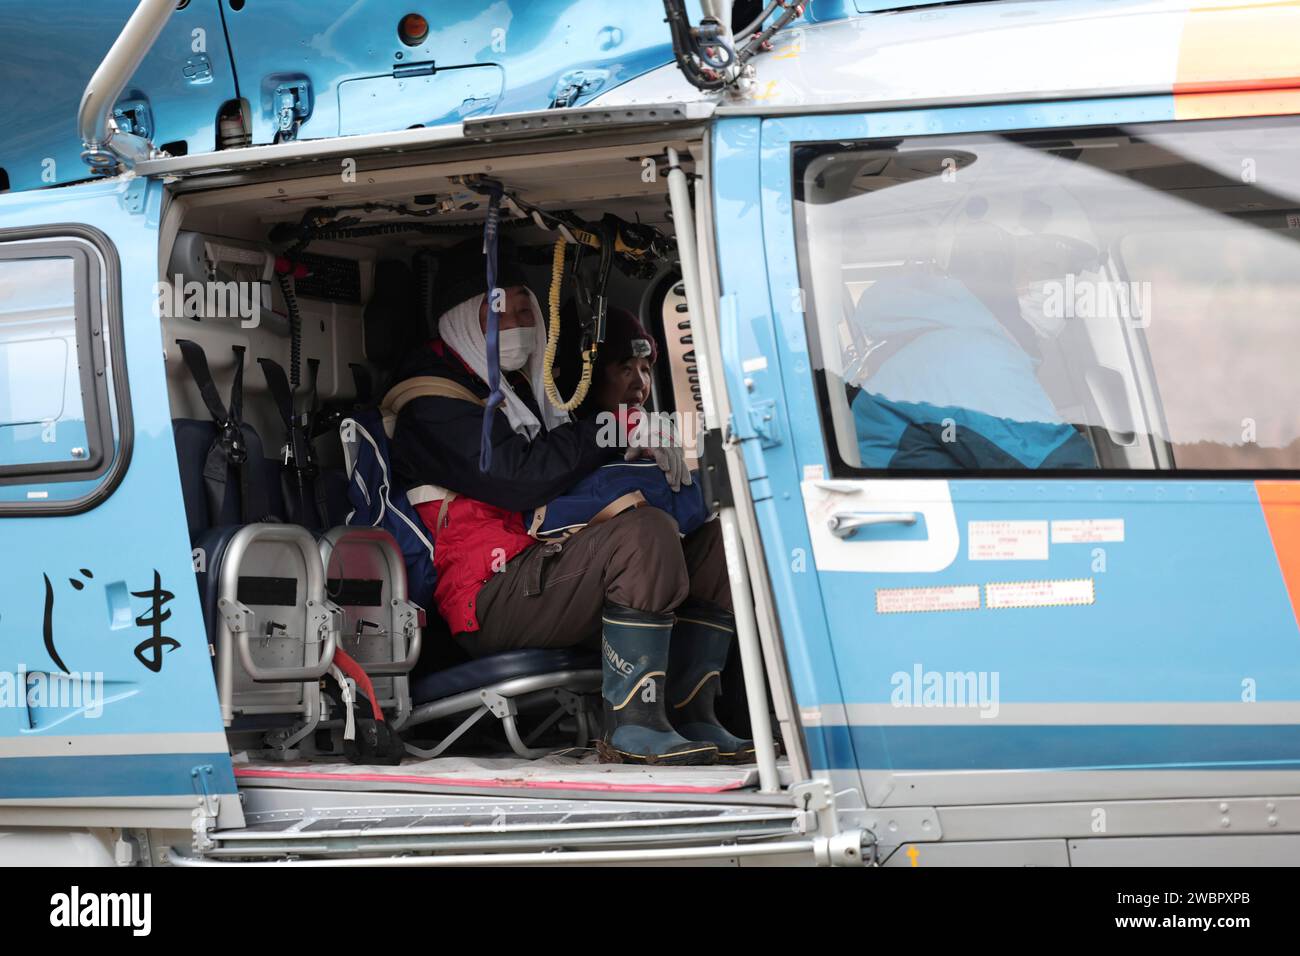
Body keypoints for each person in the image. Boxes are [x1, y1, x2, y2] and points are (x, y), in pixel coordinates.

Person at [389, 239, 754, 765]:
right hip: (486, 594)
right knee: (643, 534)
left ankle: (692, 712)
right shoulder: (432, 404)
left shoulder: (523, 391)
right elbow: (519, 478)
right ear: (463, 321)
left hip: (541, 564)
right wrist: (611, 431)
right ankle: (634, 726)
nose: (516, 324)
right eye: (499, 313)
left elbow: (563, 469)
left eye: (523, 309)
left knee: (722, 538)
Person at [848, 200, 1099, 470]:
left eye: (1069, 273)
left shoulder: (938, 339)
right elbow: (1058, 473)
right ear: (991, 267)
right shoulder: (968, 356)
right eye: (1048, 268)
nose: (1065, 286)